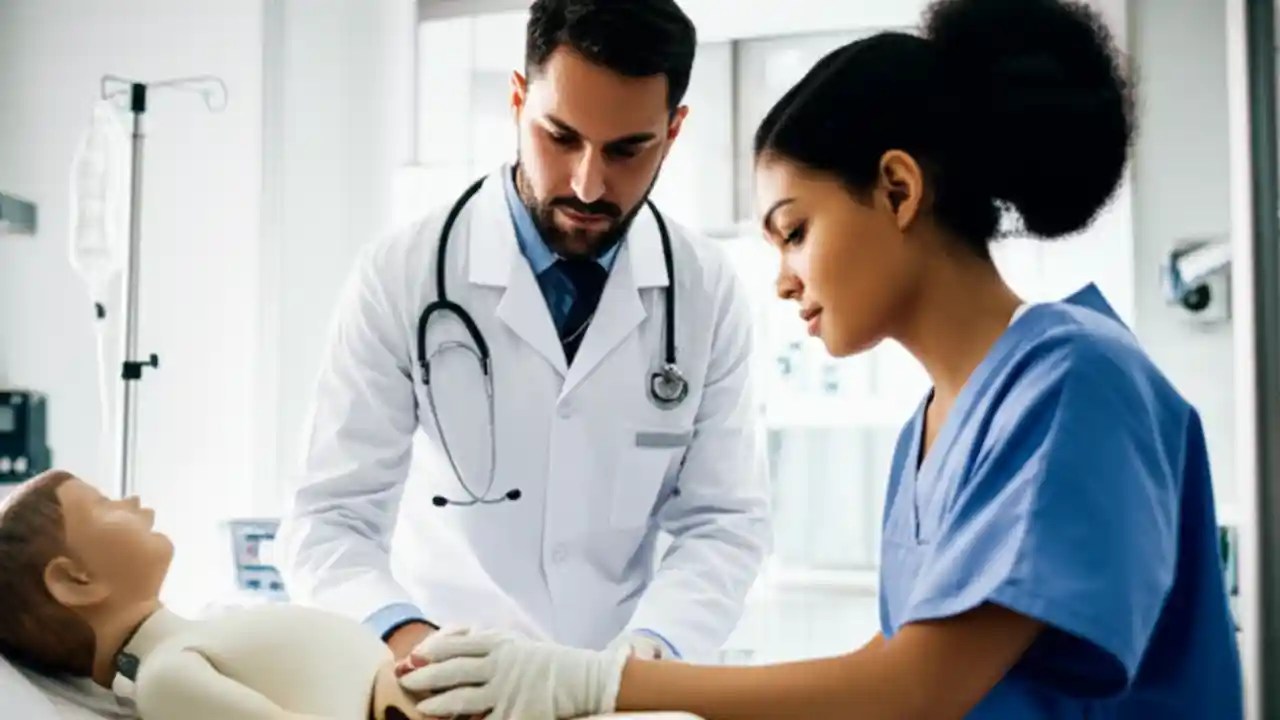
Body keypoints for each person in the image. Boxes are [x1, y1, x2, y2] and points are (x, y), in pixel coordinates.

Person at [400, 0, 1247, 718]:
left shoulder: (1076, 382)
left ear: (898, 189)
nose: (781, 281)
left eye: (795, 232)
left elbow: (915, 688)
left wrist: (600, 681)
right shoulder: (934, 428)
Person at [277, 0, 770, 669]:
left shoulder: (705, 290)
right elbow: (329, 521)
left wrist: (638, 662)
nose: (588, 183)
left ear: (674, 130)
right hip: (440, 680)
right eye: (560, 137)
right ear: (517, 99)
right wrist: (416, 649)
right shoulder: (405, 273)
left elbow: (723, 523)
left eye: (628, 149)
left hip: (618, 690)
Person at [0, 470, 427, 720]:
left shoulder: (196, 637)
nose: (131, 500)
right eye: (104, 504)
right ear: (74, 580)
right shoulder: (164, 678)